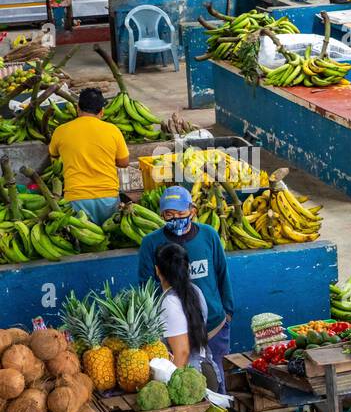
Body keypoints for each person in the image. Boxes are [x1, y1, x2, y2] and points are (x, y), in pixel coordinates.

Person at [137, 186, 233, 388]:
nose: (176, 219)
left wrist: (228, 311)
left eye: (181, 213)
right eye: (169, 215)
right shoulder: (151, 243)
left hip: (213, 325)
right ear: (162, 215)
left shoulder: (209, 235)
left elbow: (222, 272)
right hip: (175, 330)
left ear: (193, 210)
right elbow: (145, 286)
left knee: (215, 379)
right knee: (185, 386)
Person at [46, 87, 129, 225]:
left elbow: (53, 156)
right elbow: (124, 162)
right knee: (110, 238)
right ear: (102, 111)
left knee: (84, 240)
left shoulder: (60, 131)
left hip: (76, 198)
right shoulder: (113, 130)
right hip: (108, 197)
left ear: (78, 108)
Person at [154, 241, 219, 390]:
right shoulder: (195, 291)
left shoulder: (170, 302)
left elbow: (182, 353)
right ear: (188, 268)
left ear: (157, 270)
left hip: (190, 382)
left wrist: (170, 390)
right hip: (202, 372)